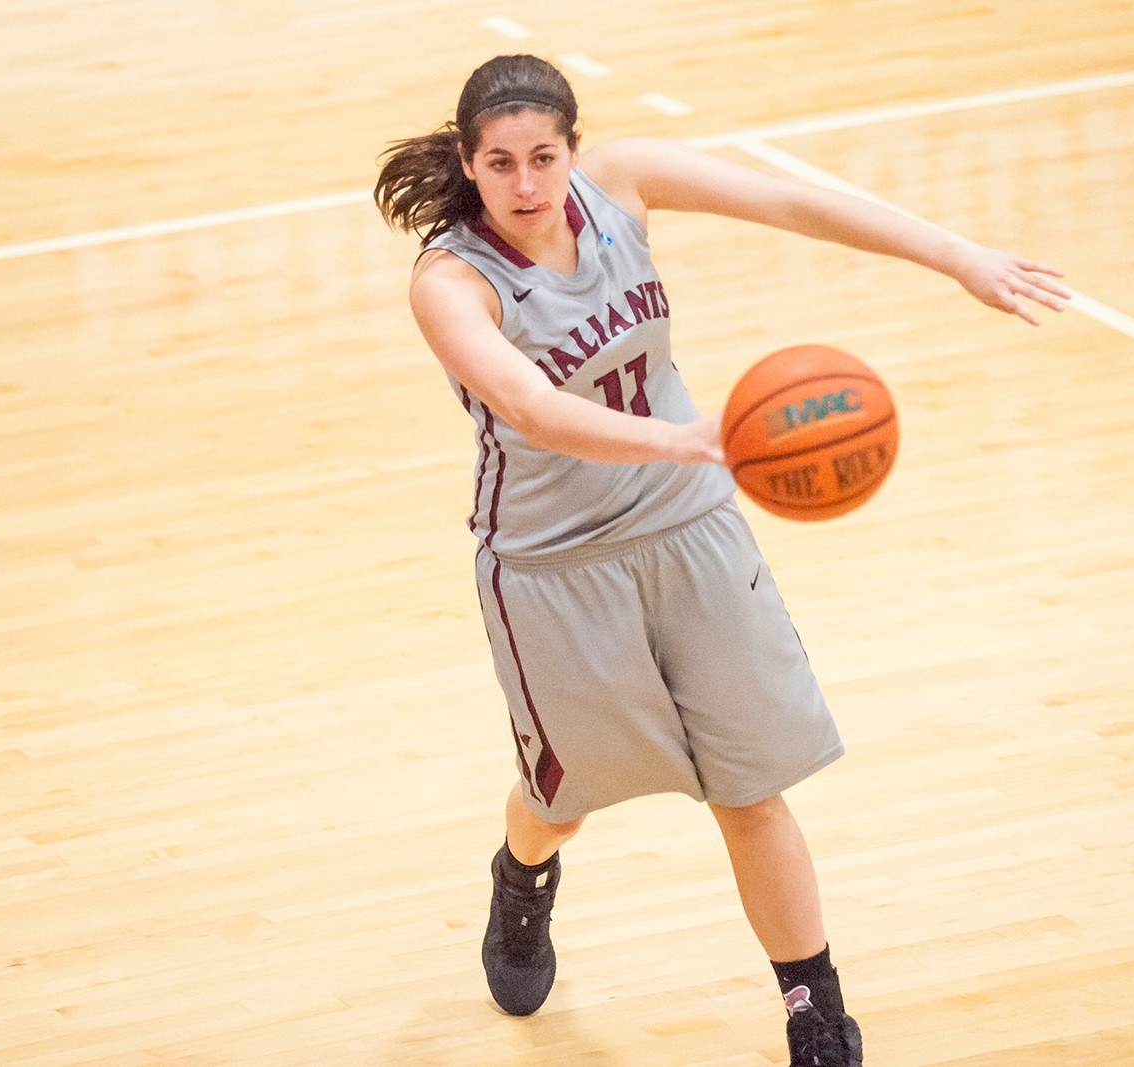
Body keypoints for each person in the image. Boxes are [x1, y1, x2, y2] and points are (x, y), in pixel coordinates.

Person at [373, 54, 1068, 1066]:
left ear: (573, 146)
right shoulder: (448, 279)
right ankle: (521, 876)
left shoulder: (622, 182)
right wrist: (693, 437)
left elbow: (789, 198)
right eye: (500, 163)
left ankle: (815, 1009)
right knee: (563, 800)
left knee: (747, 785)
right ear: (469, 163)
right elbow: (531, 407)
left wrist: (955, 255)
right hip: (552, 562)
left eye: (543, 157)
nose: (525, 184)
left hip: (692, 524)